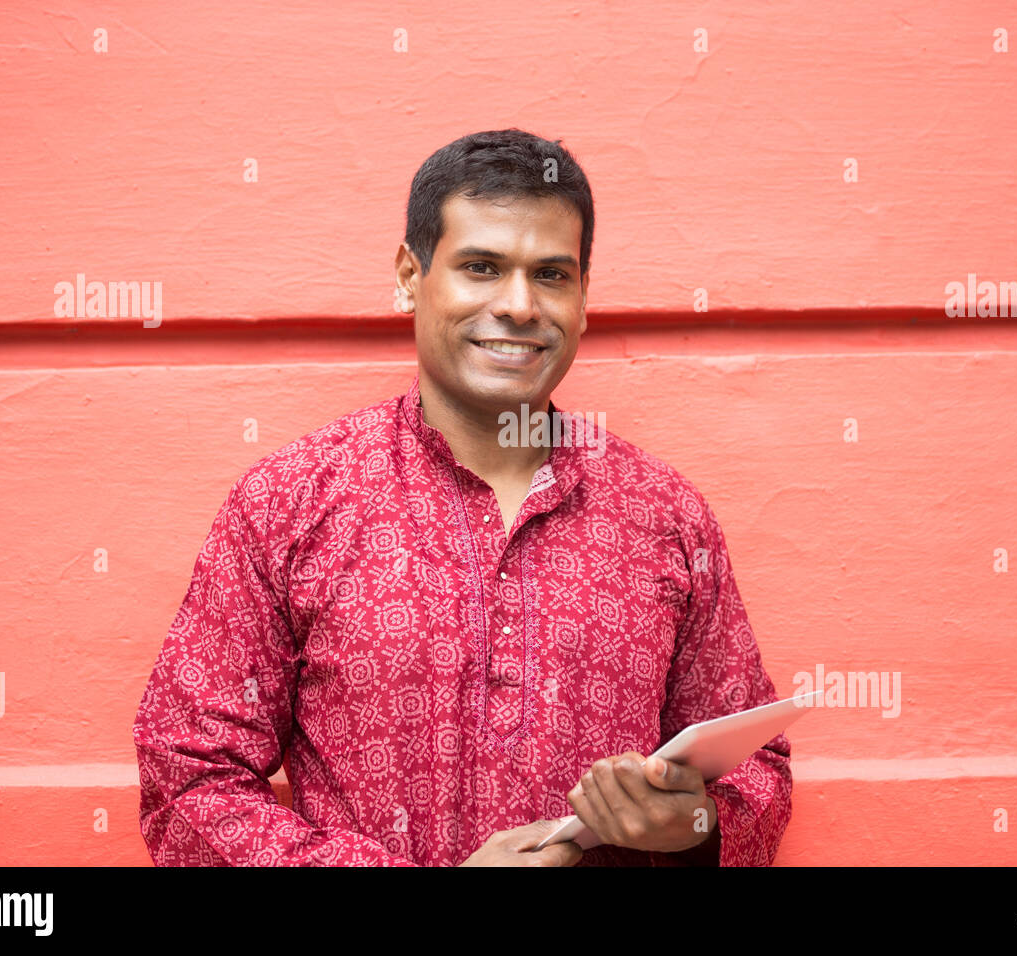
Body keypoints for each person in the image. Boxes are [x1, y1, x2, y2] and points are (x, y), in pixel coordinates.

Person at [132, 128, 792, 866]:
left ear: (582, 298)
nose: (518, 305)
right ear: (411, 276)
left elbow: (757, 779)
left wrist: (689, 827)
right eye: (481, 267)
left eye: (551, 275)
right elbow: (186, 783)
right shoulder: (288, 502)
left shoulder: (666, 516)